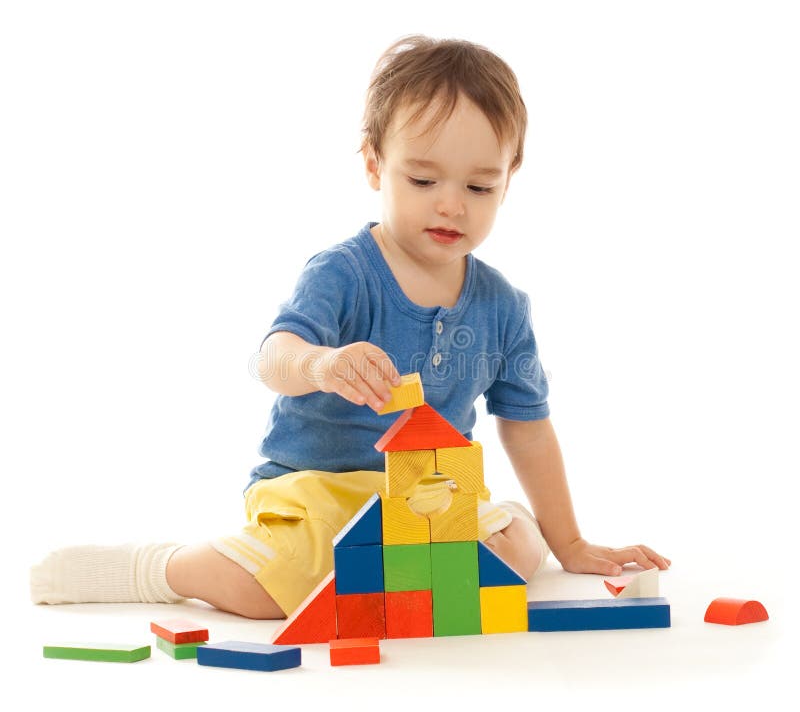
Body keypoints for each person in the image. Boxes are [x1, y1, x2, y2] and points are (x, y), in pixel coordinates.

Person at [30, 35, 670, 620]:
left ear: (509, 181)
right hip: (320, 491)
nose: (451, 203)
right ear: (373, 165)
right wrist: (319, 365)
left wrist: (572, 543)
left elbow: (527, 428)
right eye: (423, 179)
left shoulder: (504, 306)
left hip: (428, 497)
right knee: (271, 595)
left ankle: (393, 578)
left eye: (479, 186)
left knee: (520, 549)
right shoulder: (344, 273)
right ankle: (163, 566)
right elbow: (271, 354)